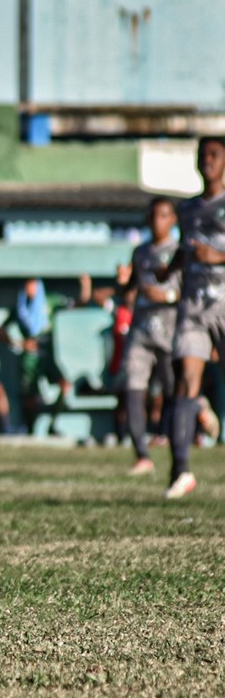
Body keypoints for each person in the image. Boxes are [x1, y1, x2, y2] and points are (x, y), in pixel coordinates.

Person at [161, 136, 225, 498]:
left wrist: (217, 257)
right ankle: (180, 471)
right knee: (186, 382)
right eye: (203, 155)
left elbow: (211, 253)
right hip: (194, 306)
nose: (208, 160)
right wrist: (166, 271)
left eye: (215, 154)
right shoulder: (186, 210)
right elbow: (183, 252)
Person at [120, 197, 180, 475]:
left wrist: (167, 296)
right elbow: (130, 290)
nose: (158, 221)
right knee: (133, 386)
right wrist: (124, 285)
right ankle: (141, 455)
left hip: (170, 331)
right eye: (154, 216)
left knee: (173, 390)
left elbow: (191, 291)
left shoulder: (179, 251)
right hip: (141, 331)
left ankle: (174, 438)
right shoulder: (140, 252)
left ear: (173, 220)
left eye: (164, 215)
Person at [0, 278, 71, 436]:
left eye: (33, 284)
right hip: (29, 360)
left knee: (64, 385)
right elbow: (0, 330)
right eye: (27, 285)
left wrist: (86, 286)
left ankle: (53, 425)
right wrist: (19, 343)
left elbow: (77, 303)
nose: (29, 288)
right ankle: (30, 430)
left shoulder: (49, 302)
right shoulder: (20, 308)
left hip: (47, 358)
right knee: (30, 398)